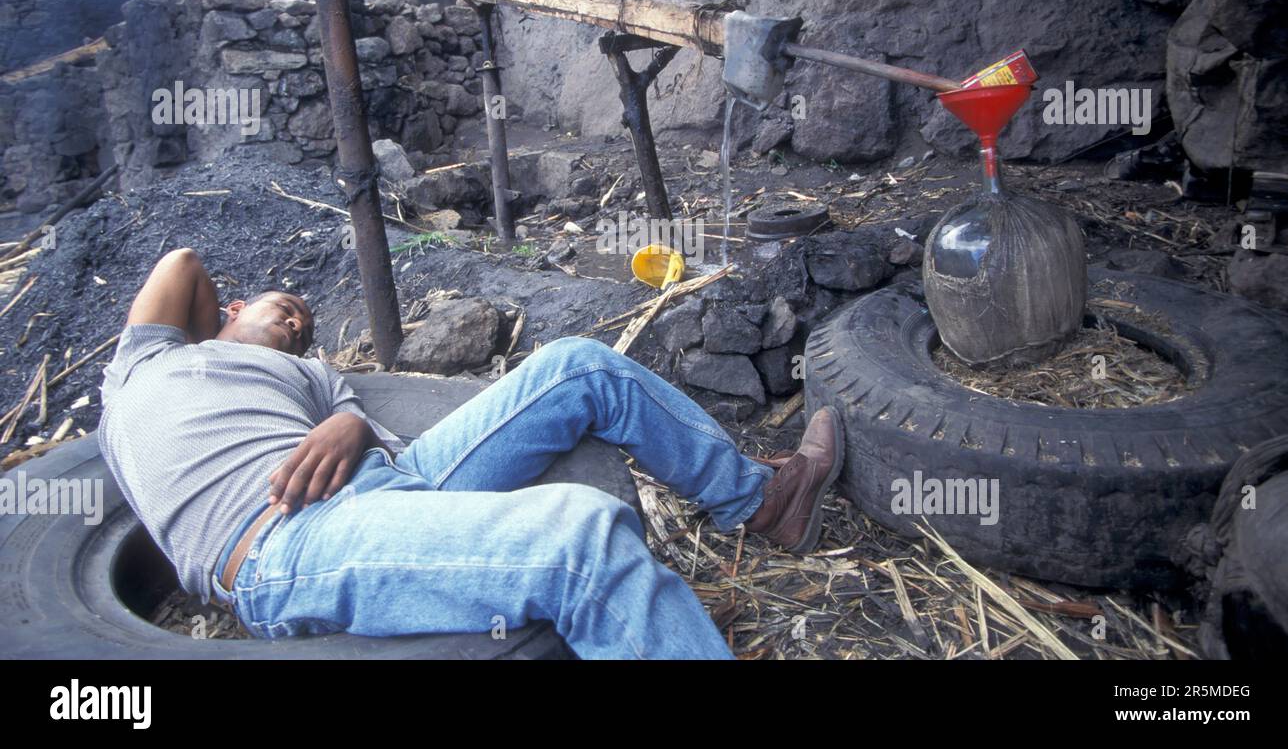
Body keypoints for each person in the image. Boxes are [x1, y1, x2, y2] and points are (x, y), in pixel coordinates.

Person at [98, 247, 845, 659]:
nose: (299, 319)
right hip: (284, 542)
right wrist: (213, 339)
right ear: (228, 310)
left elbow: (363, 425)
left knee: (579, 364)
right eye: (281, 306)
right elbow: (181, 263)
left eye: (304, 320)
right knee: (575, 538)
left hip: (393, 479)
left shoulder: (310, 373)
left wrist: (346, 424)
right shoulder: (144, 366)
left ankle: (760, 498)